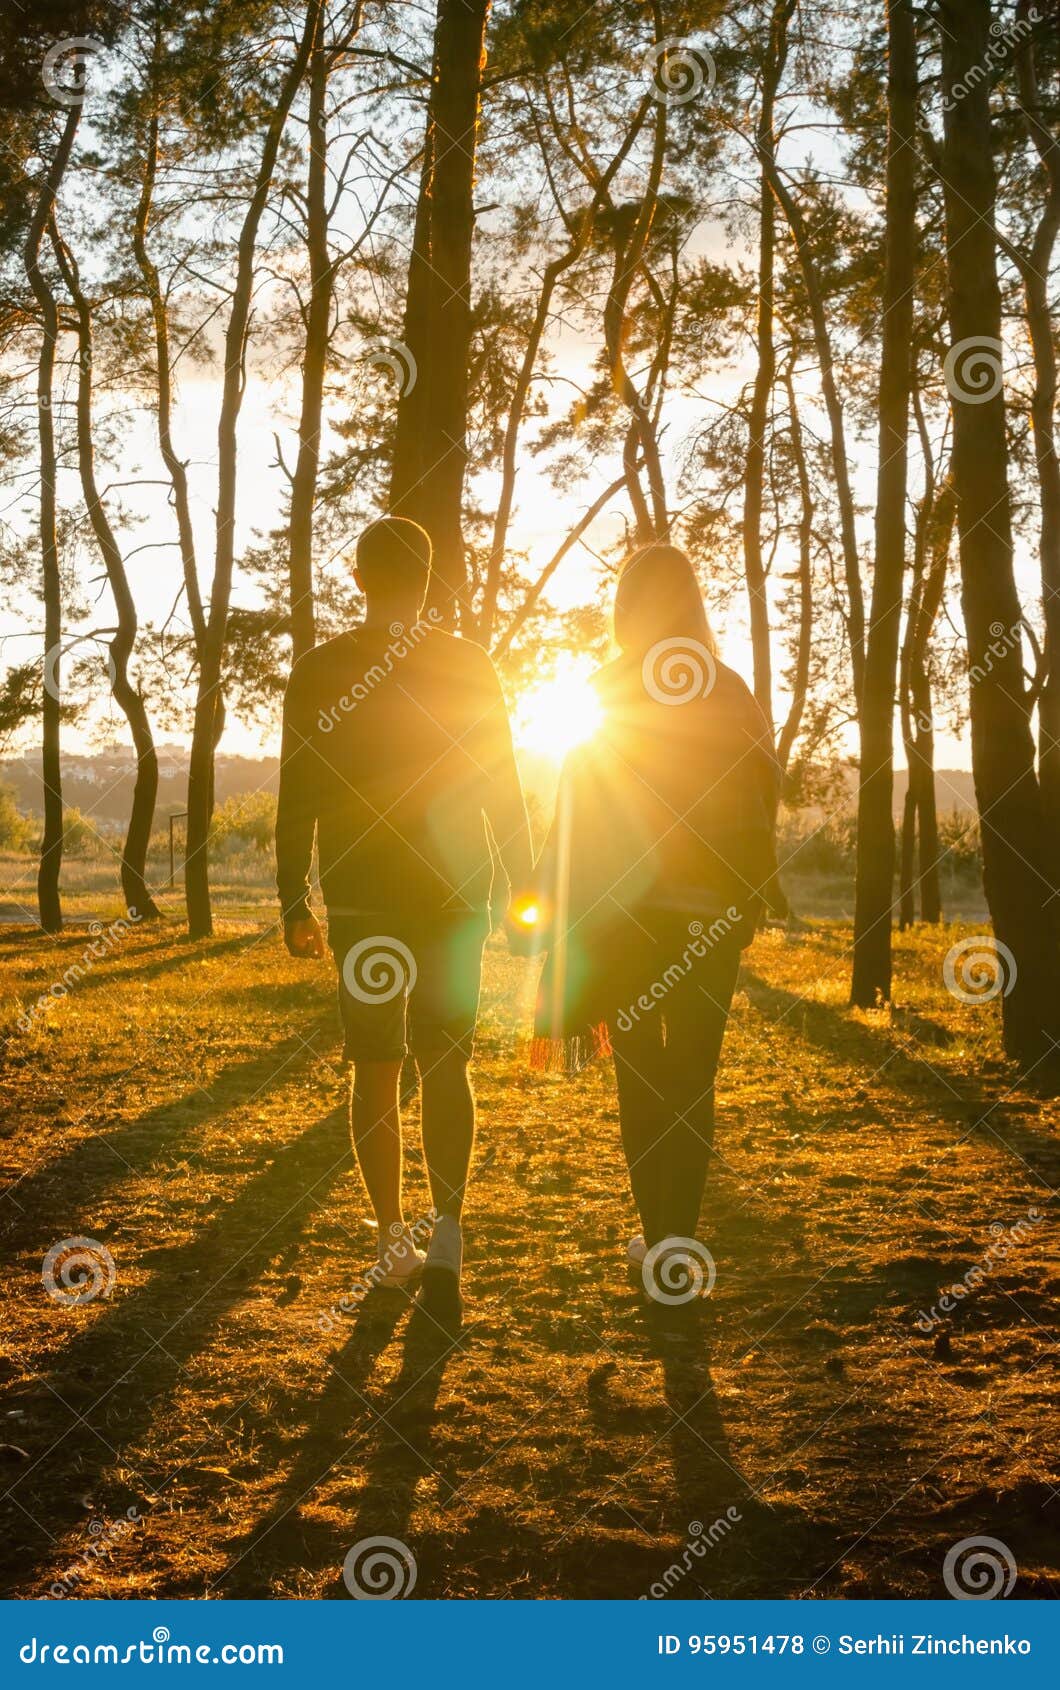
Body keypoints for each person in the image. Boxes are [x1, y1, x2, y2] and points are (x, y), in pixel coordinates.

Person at [276, 517, 533, 1324]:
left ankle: (394, 1241)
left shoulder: (320, 670)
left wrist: (293, 899)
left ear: (359, 579)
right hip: (454, 899)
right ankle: (448, 1230)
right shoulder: (468, 664)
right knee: (446, 1063)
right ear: (428, 582)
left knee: (376, 1067)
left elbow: (297, 796)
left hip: (361, 902)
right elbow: (505, 786)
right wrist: (525, 888)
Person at [526, 543, 781, 1295]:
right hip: (710, 919)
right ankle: (678, 1245)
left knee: (641, 1081)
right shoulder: (729, 691)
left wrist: (550, 905)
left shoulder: (608, 690)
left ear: (626, 611)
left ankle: (660, 1246)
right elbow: (762, 802)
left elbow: (577, 812)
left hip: (628, 925)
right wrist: (745, 899)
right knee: (693, 1083)